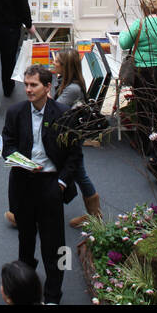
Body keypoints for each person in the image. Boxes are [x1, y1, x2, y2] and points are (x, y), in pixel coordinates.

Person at [2, 64, 79, 305]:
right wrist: (19, 159)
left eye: (33, 85)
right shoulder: (15, 112)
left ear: (48, 87)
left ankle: (53, 297)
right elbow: (8, 144)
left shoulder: (64, 113)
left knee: (53, 244)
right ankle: (23, 293)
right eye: (25, 85)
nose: (28, 90)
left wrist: (61, 183)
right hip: (23, 183)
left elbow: (75, 155)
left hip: (50, 184)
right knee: (25, 242)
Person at [118, 0, 157, 181]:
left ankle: (145, 144)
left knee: (144, 106)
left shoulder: (139, 24)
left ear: (144, 8)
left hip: (143, 69)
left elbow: (124, 43)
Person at [53, 48, 102, 228]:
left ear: (65, 67)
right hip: (71, 133)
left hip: (70, 136)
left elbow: (55, 109)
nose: (54, 63)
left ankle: (95, 215)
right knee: (79, 172)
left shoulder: (71, 89)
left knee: (79, 172)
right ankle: (94, 214)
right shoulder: (68, 83)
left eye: (57, 61)